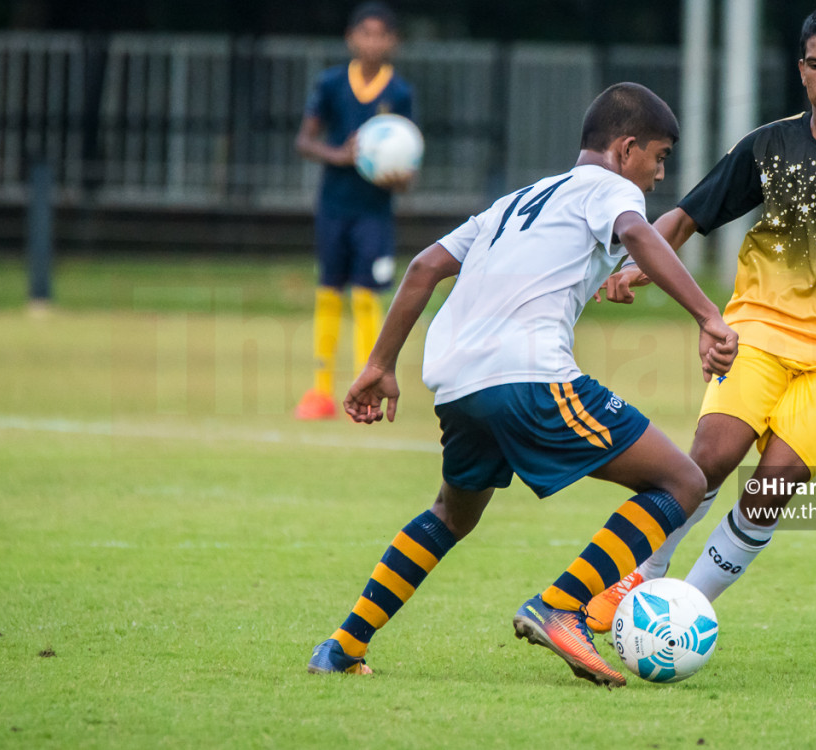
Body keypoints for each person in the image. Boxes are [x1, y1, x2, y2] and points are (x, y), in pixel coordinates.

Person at [306, 83, 738, 687]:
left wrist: (381, 364)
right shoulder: (610, 188)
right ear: (626, 148)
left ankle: (342, 646)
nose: (658, 176)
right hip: (528, 376)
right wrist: (708, 314)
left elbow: (426, 266)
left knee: (452, 514)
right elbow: (639, 233)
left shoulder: (518, 200)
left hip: (458, 385)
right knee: (683, 480)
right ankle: (563, 605)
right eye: (659, 158)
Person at [585, 2, 816, 630]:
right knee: (708, 456)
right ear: (802, 70)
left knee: (773, 486)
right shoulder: (769, 145)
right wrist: (631, 265)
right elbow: (685, 216)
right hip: (758, 328)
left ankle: (685, 612)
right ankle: (635, 581)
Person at [293, 1, 417, 420]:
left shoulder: (399, 93)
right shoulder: (331, 84)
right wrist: (341, 155)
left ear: (393, 42)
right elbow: (305, 142)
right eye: (365, 33)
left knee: (368, 294)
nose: (372, 42)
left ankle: (368, 384)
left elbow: (407, 164)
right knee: (329, 290)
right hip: (334, 206)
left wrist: (395, 174)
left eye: (381, 35)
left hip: (374, 212)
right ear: (351, 38)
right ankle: (321, 390)